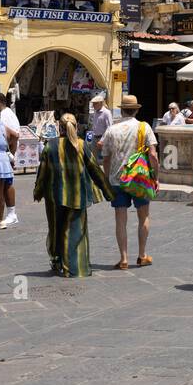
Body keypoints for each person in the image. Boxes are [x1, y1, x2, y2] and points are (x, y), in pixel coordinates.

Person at [34, 113, 111, 277]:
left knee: (56, 229)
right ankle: (76, 268)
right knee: (76, 231)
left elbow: (43, 173)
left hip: (55, 196)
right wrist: (108, 191)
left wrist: (38, 192)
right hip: (78, 196)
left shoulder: (50, 145)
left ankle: (57, 261)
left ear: (59, 128)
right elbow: (95, 170)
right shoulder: (82, 145)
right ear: (75, 127)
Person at [101, 94, 158, 270]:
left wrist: (107, 177)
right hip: (139, 178)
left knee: (120, 219)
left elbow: (106, 158)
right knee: (144, 216)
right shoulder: (144, 127)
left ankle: (123, 258)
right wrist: (155, 176)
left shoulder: (112, 130)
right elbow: (153, 155)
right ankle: (142, 255)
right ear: (136, 110)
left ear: (122, 109)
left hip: (117, 180)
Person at [0, 93, 21, 226]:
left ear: (0, 101)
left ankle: (12, 214)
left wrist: (10, 155)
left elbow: (14, 136)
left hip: (4, 155)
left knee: (7, 184)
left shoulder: (7, 115)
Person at [89, 93, 113, 166]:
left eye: (95, 104)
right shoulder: (96, 112)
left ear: (100, 103)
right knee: (93, 158)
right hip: (95, 137)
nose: (93, 105)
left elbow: (109, 127)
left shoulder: (106, 113)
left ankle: (106, 175)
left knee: (106, 159)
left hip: (103, 139)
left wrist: (102, 140)